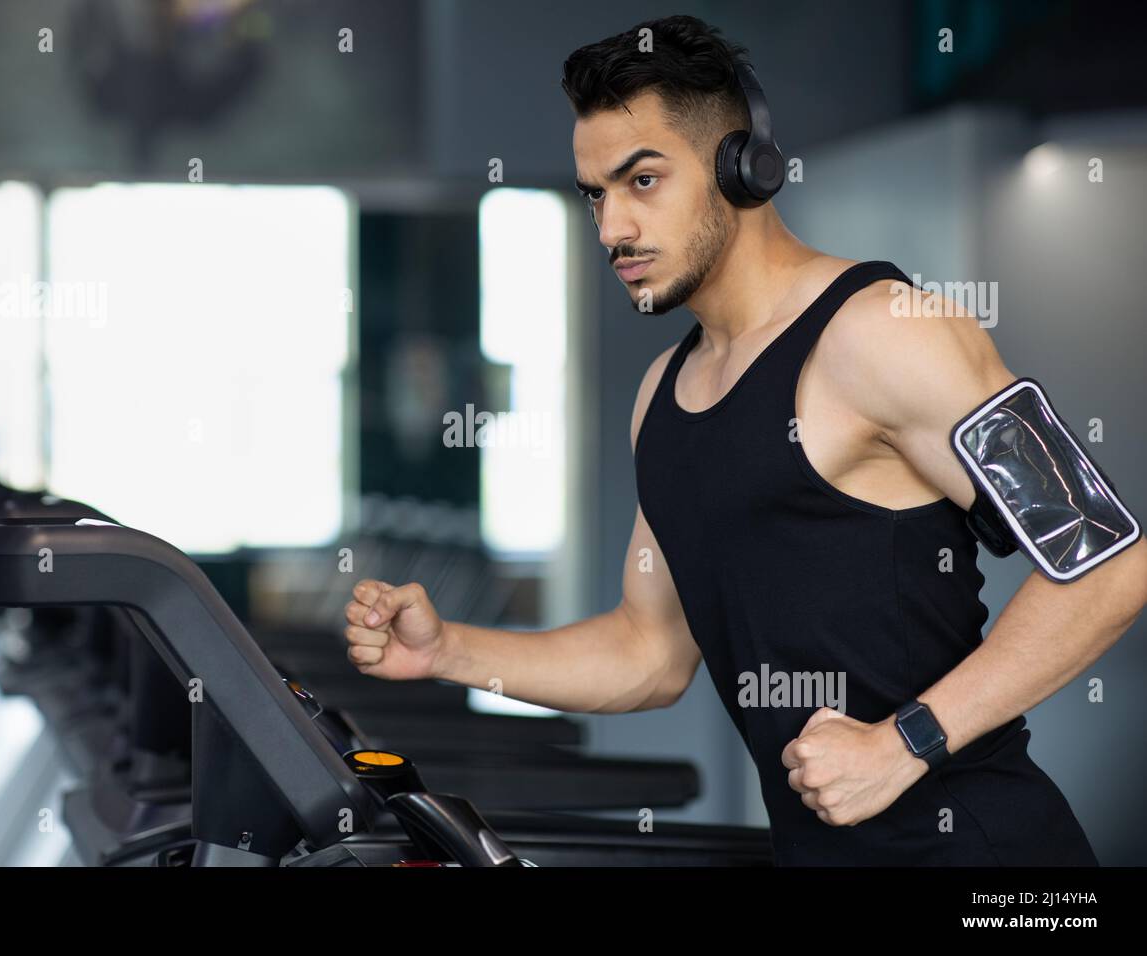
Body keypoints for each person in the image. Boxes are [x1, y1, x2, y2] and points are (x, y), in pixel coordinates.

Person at [342, 15, 1147, 865]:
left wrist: (903, 743)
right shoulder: (665, 395)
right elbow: (649, 655)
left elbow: (1108, 563)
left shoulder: (883, 332)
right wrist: (451, 651)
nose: (612, 227)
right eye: (595, 195)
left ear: (743, 167)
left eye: (642, 180)